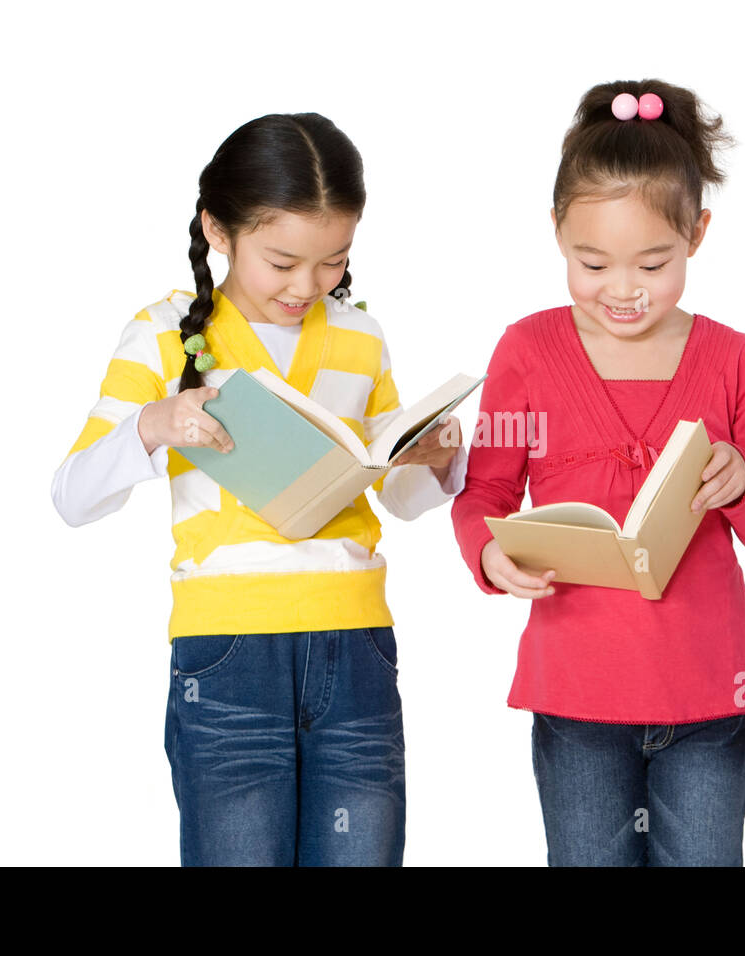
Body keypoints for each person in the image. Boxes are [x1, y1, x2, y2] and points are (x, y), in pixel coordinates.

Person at [52, 113, 465, 866]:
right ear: (217, 228)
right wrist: (152, 424)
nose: (307, 286)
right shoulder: (163, 332)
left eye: (333, 262)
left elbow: (394, 499)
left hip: (358, 648)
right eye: (282, 262)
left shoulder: (362, 338)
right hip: (228, 653)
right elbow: (74, 495)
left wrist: (433, 462)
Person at [450, 80, 745, 866]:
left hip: (710, 694)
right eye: (592, 262)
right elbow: (486, 492)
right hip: (576, 694)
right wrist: (489, 553)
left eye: (653, 262)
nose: (623, 289)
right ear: (555, 233)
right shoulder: (529, 352)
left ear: (698, 234)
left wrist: (743, 480)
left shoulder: (735, 361)